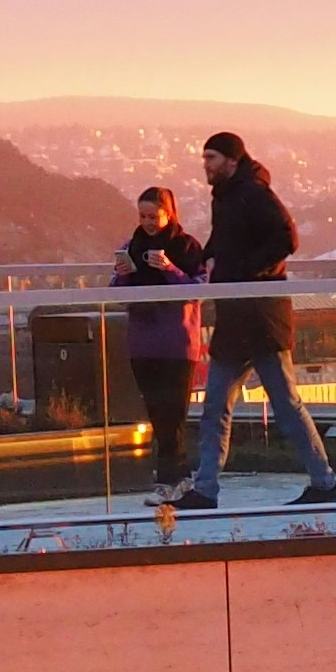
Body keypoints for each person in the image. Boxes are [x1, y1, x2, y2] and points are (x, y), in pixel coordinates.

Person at [175, 131, 336, 509]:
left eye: (212, 158)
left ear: (232, 161)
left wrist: (246, 274)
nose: (206, 166)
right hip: (239, 317)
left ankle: (324, 482)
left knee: (282, 405)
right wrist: (201, 261)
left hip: (260, 317)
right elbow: (224, 242)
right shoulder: (231, 196)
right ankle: (206, 488)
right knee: (217, 406)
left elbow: (287, 238)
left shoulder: (254, 194)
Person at [109, 182, 208, 491]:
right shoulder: (131, 246)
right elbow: (116, 293)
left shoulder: (188, 247)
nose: (148, 223)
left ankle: (173, 479)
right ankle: (171, 479)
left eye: (153, 216)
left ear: (169, 214)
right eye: (143, 217)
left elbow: (198, 292)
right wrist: (124, 272)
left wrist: (170, 269)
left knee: (173, 414)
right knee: (156, 412)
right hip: (143, 343)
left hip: (177, 343)